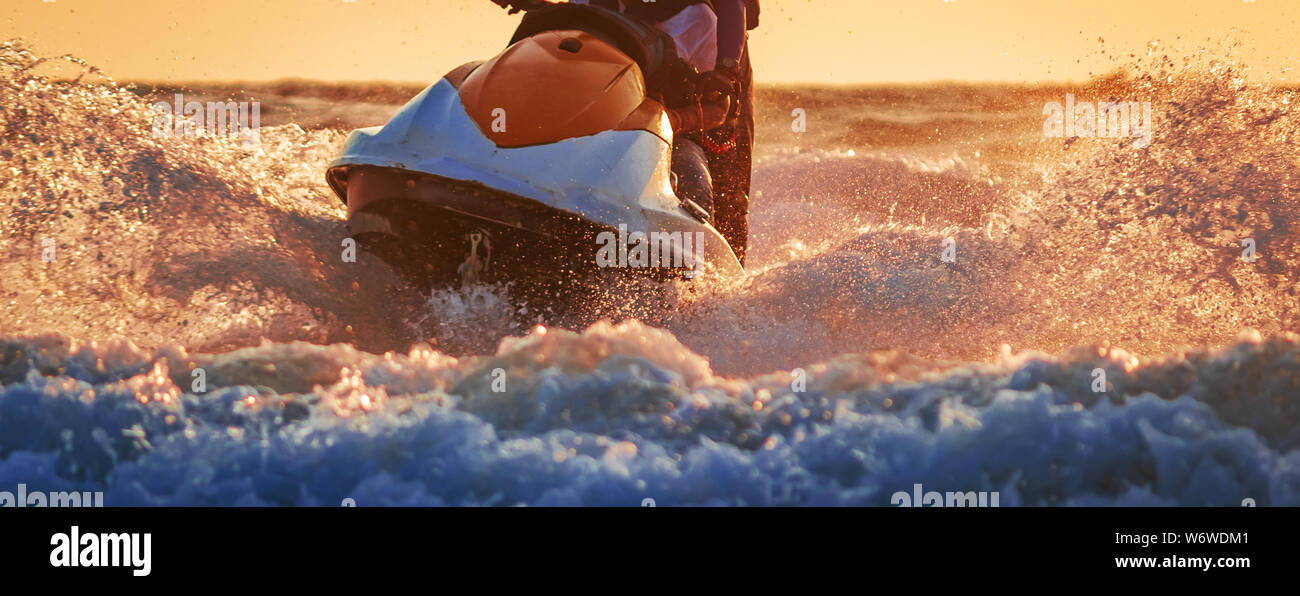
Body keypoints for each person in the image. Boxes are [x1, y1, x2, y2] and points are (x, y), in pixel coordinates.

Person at [491, 0, 758, 264]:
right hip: (598, 119)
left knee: (711, 184)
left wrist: (667, 121)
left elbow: (717, 108)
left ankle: (714, 290)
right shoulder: (584, 5)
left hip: (674, 121)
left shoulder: (697, 21)